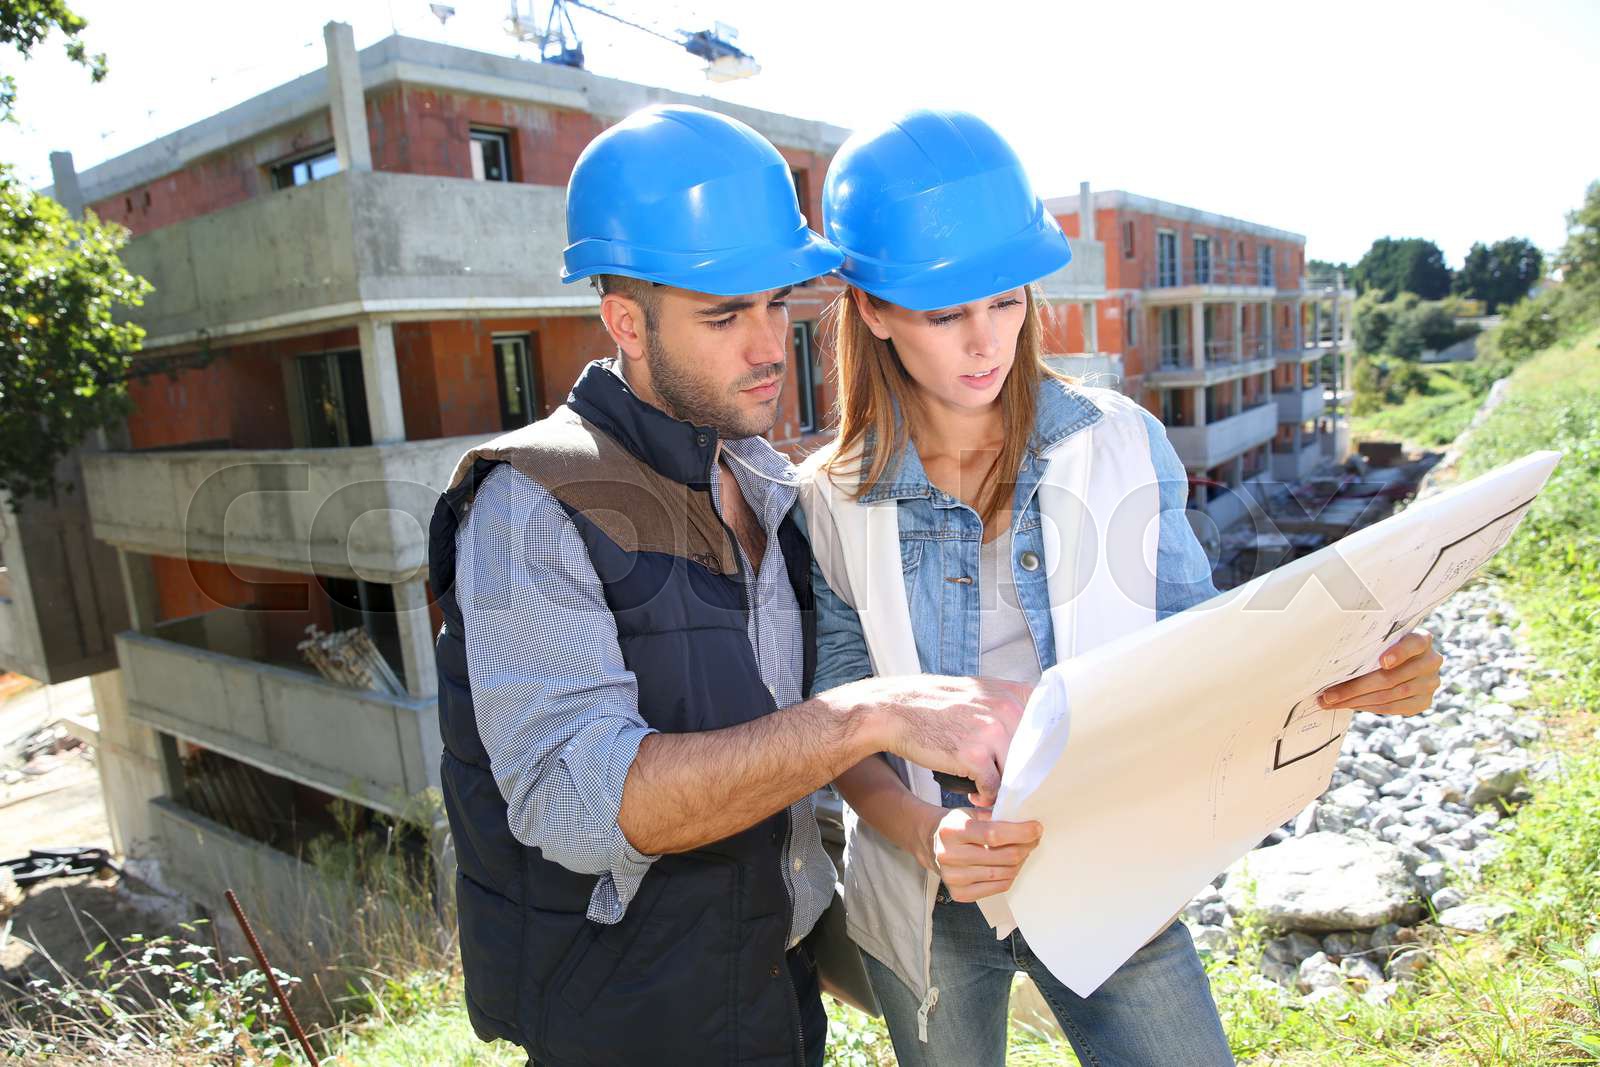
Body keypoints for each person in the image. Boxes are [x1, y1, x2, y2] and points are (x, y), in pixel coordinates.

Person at [796, 108, 1446, 1067]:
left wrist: (1362, 668)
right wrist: (926, 831)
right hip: (924, 888)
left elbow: (1200, 652)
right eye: (946, 314)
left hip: (1108, 873)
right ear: (874, 309)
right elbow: (846, 720)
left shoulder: (1119, 439)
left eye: (1006, 302)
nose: (987, 343)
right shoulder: (828, 497)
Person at [427, 104, 1032, 1067]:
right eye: (722, 314)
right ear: (625, 320)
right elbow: (582, 805)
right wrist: (864, 713)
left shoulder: (769, 485)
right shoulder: (531, 502)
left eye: (775, 304)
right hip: (629, 1027)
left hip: (775, 997)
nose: (765, 345)